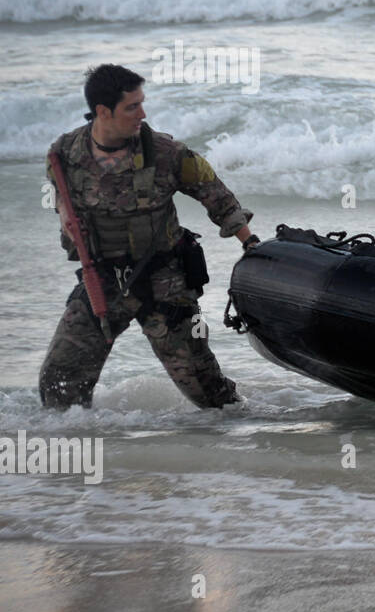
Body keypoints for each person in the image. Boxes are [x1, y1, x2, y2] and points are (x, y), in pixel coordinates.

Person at [40, 64, 258, 410]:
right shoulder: (65, 154)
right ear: (102, 112)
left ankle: (253, 437)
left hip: (165, 282)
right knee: (58, 383)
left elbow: (217, 197)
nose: (142, 113)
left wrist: (251, 245)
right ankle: (87, 451)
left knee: (208, 393)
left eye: (142, 103)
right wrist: (64, 214)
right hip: (102, 282)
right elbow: (58, 191)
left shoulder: (167, 153)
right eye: (132, 106)